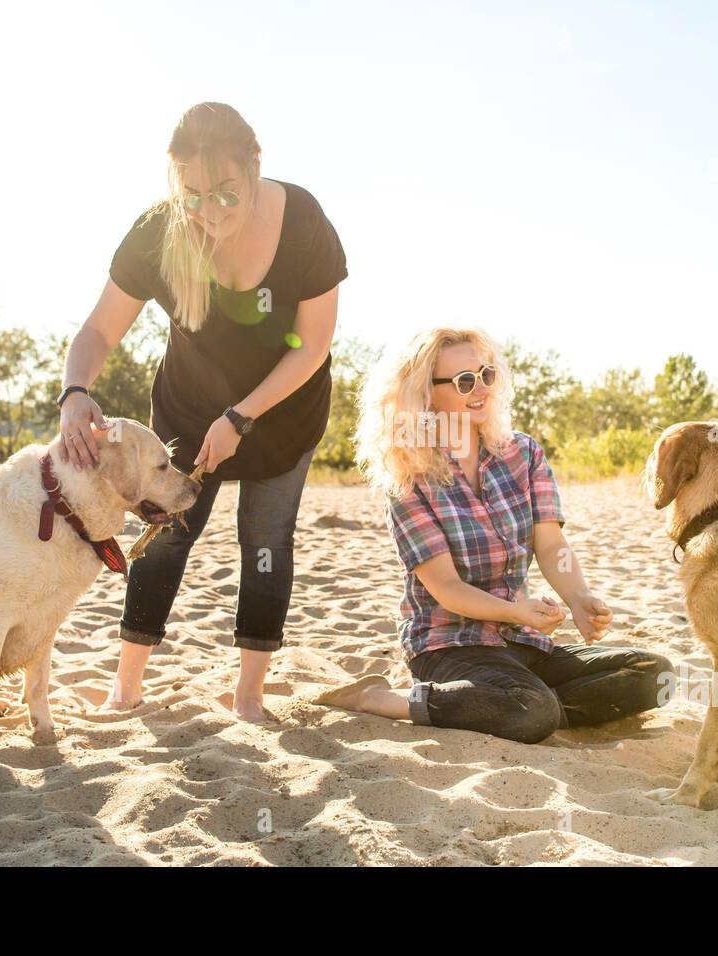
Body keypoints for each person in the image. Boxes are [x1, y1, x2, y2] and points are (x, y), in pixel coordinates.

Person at [57, 102, 347, 720]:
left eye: (226, 194)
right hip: (188, 414)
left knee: (266, 540)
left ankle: (248, 696)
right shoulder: (155, 234)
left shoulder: (304, 222)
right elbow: (99, 332)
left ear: (255, 167)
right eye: (193, 195)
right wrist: (75, 391)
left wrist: (241, 417)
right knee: (165, 538)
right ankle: (126, 687)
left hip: (284, 408)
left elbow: (314, 343)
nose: (209, 211)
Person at [316, 327, 674, 743]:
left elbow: (551, 544)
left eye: (487, 375)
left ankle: (507, 704)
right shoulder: (408, 478)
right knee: (532, 710)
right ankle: (381, 699)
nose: (481, 388)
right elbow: (447, 589)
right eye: (465, 381)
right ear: (426, 395)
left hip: (520, 641)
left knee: (653, 673)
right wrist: (519, 611)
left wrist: (578, 598)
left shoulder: (523, 453)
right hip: (449, 644)